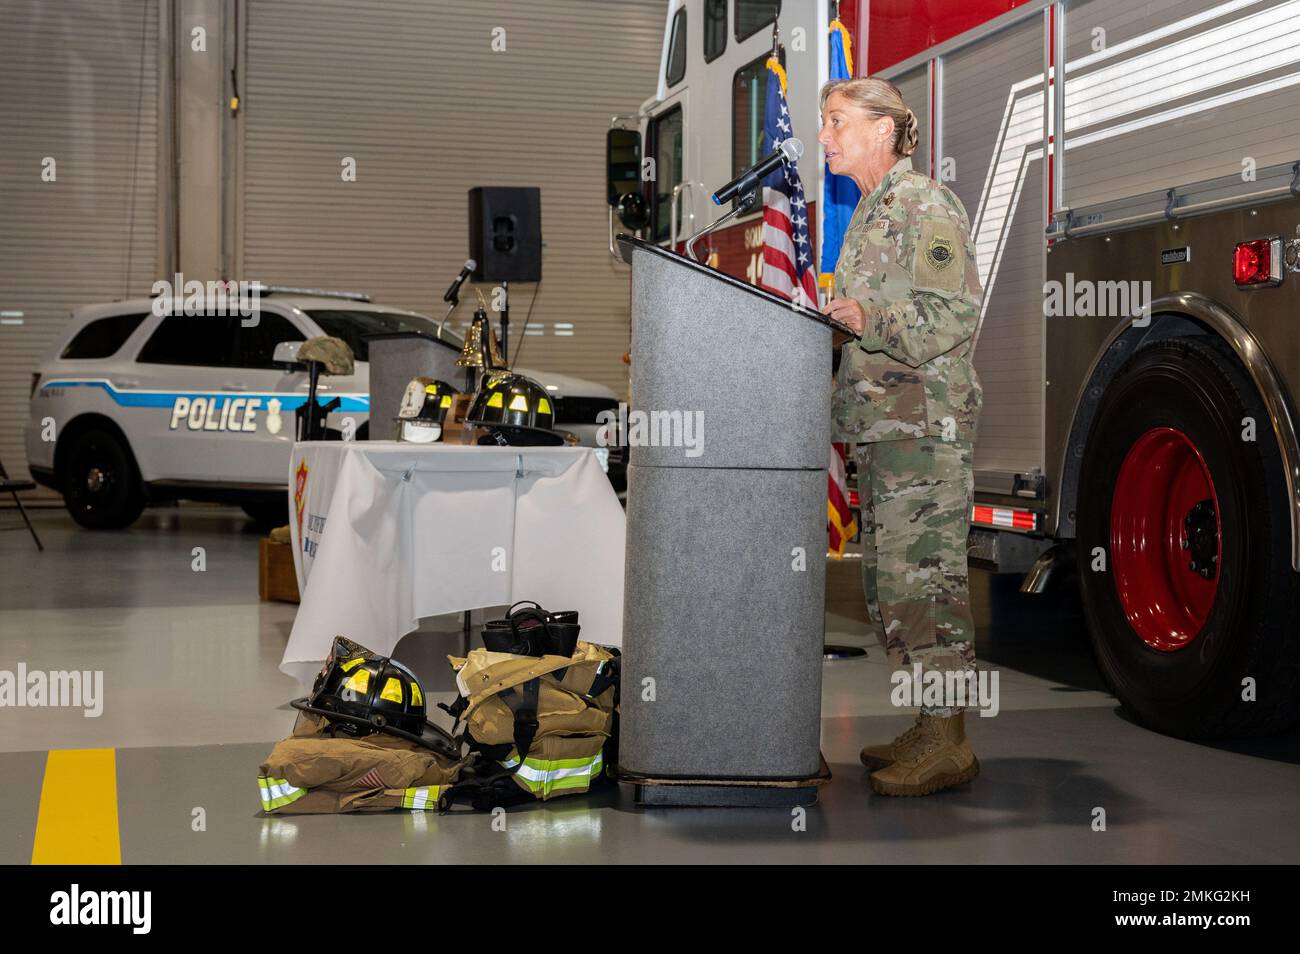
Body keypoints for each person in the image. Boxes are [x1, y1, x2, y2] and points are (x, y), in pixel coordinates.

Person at [818, 77, 983, 797]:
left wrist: (866, 320)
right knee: (894, 586)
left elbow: (952, 315)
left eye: (836, 122)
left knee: (929, 586)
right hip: (885, 430)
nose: (824, 137)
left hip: (922, 426)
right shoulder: (869, 212)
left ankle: (950, 744)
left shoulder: (922, 204)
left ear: (883, 130)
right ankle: (927, 725)